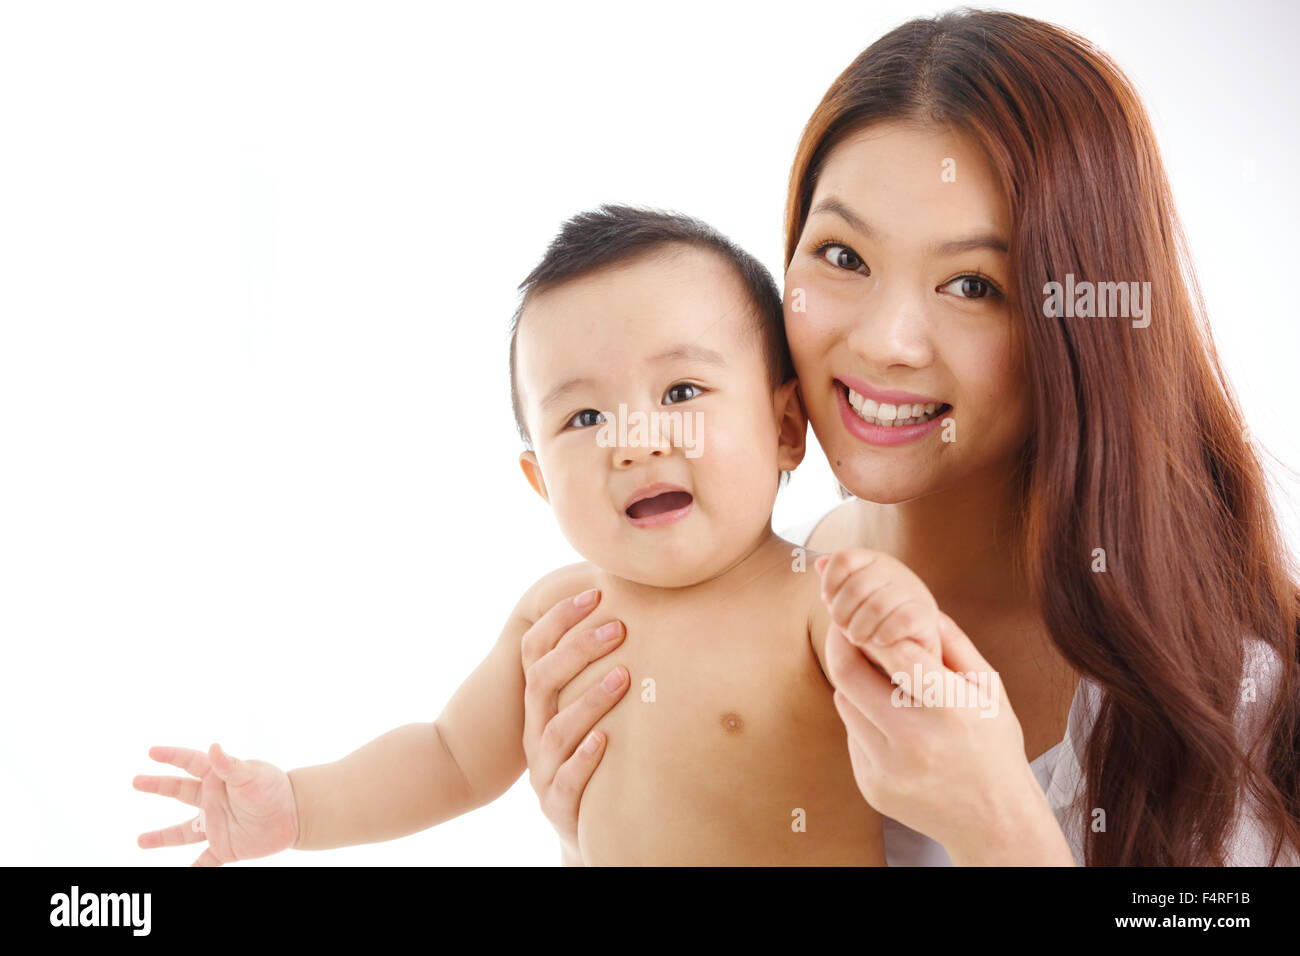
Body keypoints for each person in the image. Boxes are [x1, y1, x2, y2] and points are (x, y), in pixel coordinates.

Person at [520, 10, 1300, 866]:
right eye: (844, 257)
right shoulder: (719, 580)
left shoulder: (1232, 702)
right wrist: (598, 831)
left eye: (971, 283)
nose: (887, 339)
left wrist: (1000, 826)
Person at [133, 204, 947, 866]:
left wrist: (898, 620)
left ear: (785, 426)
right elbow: (449, 758)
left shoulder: (821, 592)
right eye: (585, 416)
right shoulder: (559, 617)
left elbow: (937, 714)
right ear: (539, 481)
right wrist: (301, 806)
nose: (633, 439)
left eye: (681, 390)